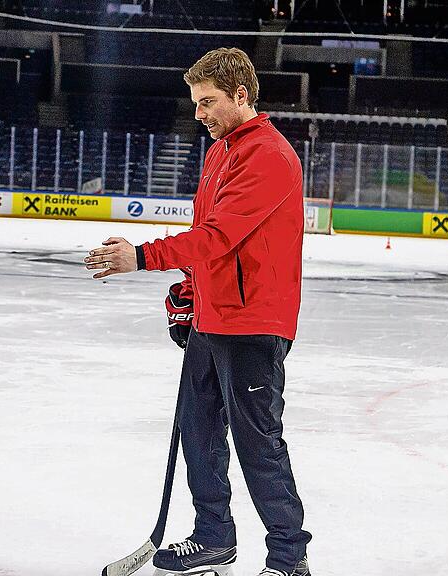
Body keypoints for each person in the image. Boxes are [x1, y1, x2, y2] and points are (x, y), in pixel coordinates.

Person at [84, 48, 312, 576]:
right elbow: (212, 243)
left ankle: (288, 558)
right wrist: (189, 292)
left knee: (259, 444)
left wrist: (140, 258)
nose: (199, 113)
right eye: (195, 103)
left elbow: (218, 236)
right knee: (199, 429)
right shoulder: (221, 152)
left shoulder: (268, 157)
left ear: (241, 95)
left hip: (254, 322)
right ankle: (214, 537)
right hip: (214, 318)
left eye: (208, 102)